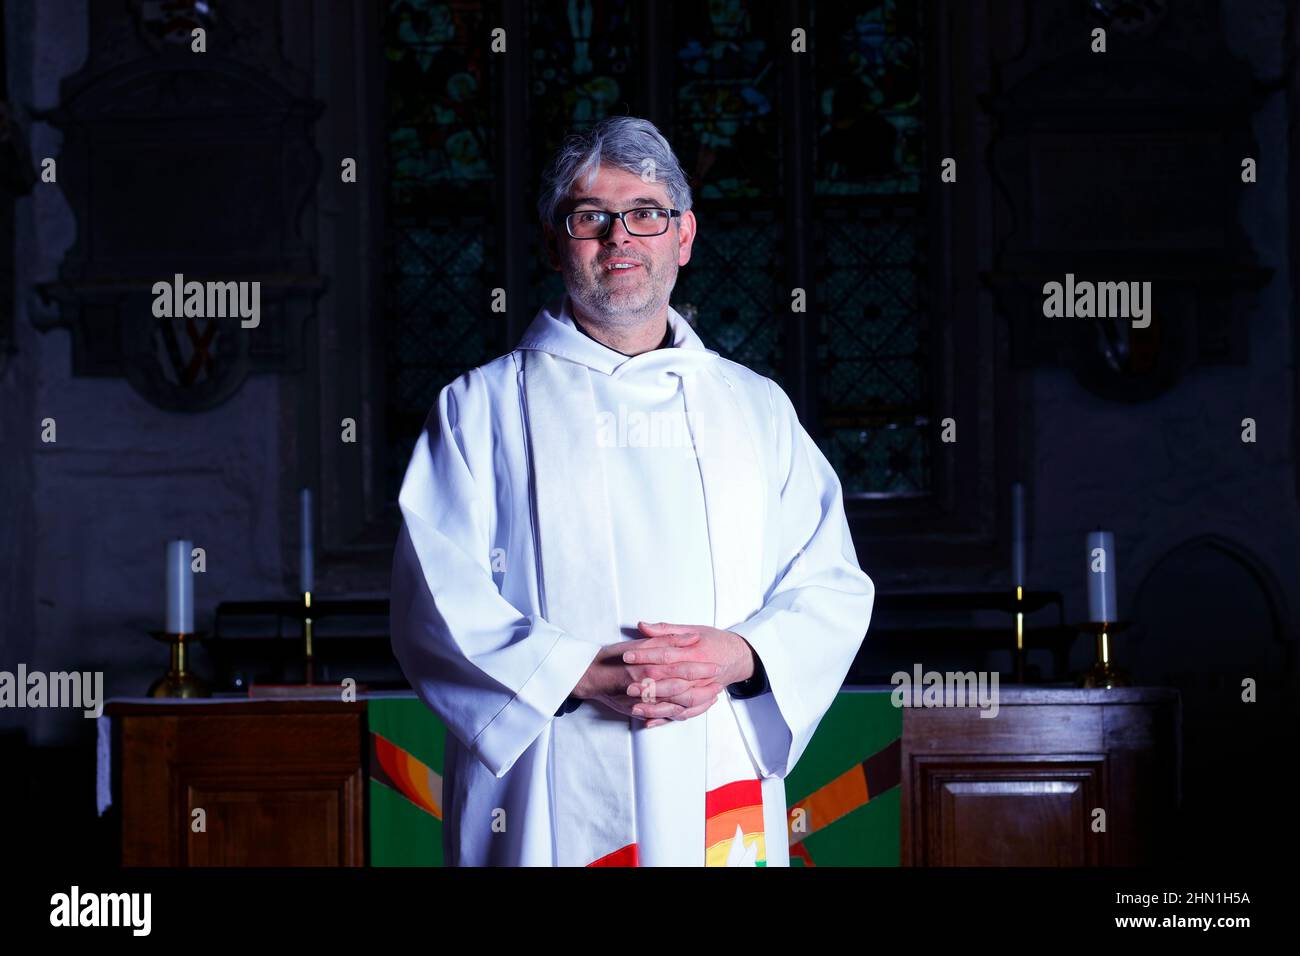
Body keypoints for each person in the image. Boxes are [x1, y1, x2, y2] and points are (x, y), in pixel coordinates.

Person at [389, 115, 874, 866]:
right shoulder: (477, 409)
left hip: (714, 753)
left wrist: (741, 655)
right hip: (548, 763)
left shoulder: (756, 408)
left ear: (683, 237)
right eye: (592, 217)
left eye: (646, 213)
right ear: (556, 242)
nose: (621, 237)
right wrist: (575, 672)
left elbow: (830, 585)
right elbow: (434, 596)